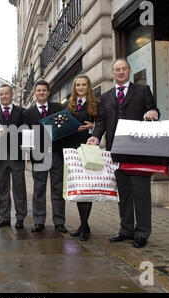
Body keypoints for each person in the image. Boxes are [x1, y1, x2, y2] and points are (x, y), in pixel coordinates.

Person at [87, 58, 160, 248]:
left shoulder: (142, 91)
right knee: (124, 193)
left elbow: (153, 109)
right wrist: (96, 137)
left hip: (138, 151)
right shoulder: (106, 96)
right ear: (113, 73)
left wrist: (153, 113)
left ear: (129, 71)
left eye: (124, 69)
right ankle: (126, 229)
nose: (120, 72)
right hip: (116, 151)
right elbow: (101, 121)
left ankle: (142, 232)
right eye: (117, 70)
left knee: (141, 193)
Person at [22, 80, 67, 233]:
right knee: (39, 190)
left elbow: (64, 130)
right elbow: (26, 135)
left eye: (44, 90)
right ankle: (39, 221)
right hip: (39, 156)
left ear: (48, 92)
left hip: (56, 155)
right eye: (38, 90)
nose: (41, 93)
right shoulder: (28, 114)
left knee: (58, 190)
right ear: (34, 93)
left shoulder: (59, 108)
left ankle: (59, 222)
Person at [0, 85, 27, 229]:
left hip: (17, 155)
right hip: (0, 156)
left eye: (6, 94)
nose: (4, 96)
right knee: (2, 187)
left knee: (19, 188)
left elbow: (26, 132)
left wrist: (25, 144)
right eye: (1, 94)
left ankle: (20, 217)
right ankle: (4, 217)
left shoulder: (21, 112)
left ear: (12, 95)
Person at [63, 74, 97, 241]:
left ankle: (84, 227)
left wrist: (93, 127)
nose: (81, 88)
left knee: (87, 189)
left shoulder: (95, 105)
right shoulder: (71, 106)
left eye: (84, 85)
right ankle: (84, 225)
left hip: (88, 150)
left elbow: (102, 125)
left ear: (88, 86)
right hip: (73, 151)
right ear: (74, 88)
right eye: (78, 85)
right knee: (78, 189)